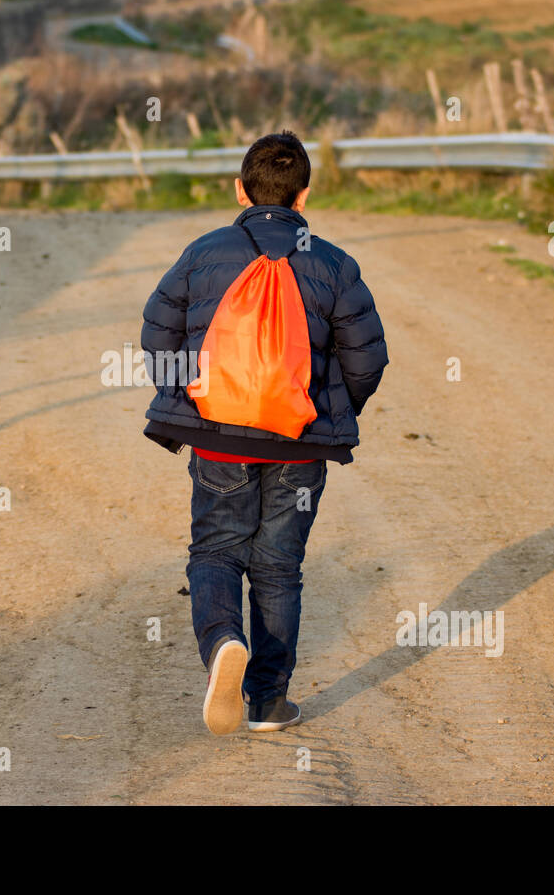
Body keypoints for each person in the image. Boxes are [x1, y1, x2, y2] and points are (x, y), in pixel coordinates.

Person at [140, 130, 389, 734]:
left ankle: (225, 640)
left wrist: (188, 402)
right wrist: (324, 413)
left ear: (239, 189)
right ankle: (268, 702)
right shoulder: (333, 262)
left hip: (219, 437)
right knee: (280, 568)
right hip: (300, 444)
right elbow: (367, 358)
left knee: (216, 551)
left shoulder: (204, 252)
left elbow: (157, 334)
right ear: (305, 193)